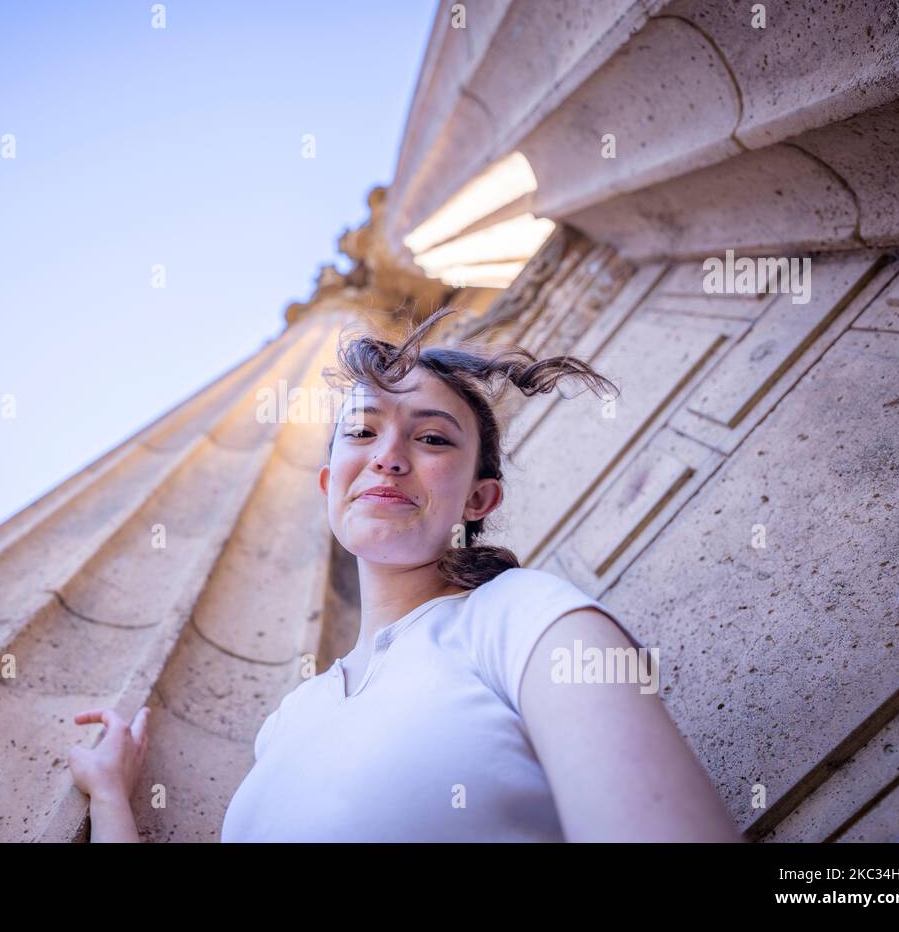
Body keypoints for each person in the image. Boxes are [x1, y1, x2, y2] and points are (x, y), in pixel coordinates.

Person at [67, 306, 742, 842]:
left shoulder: (529, 621)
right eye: (361, 433)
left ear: (479, 499)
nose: (388, 456)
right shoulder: (289, 718)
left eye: (432, 438)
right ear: (332, 483)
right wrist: (108, 800)